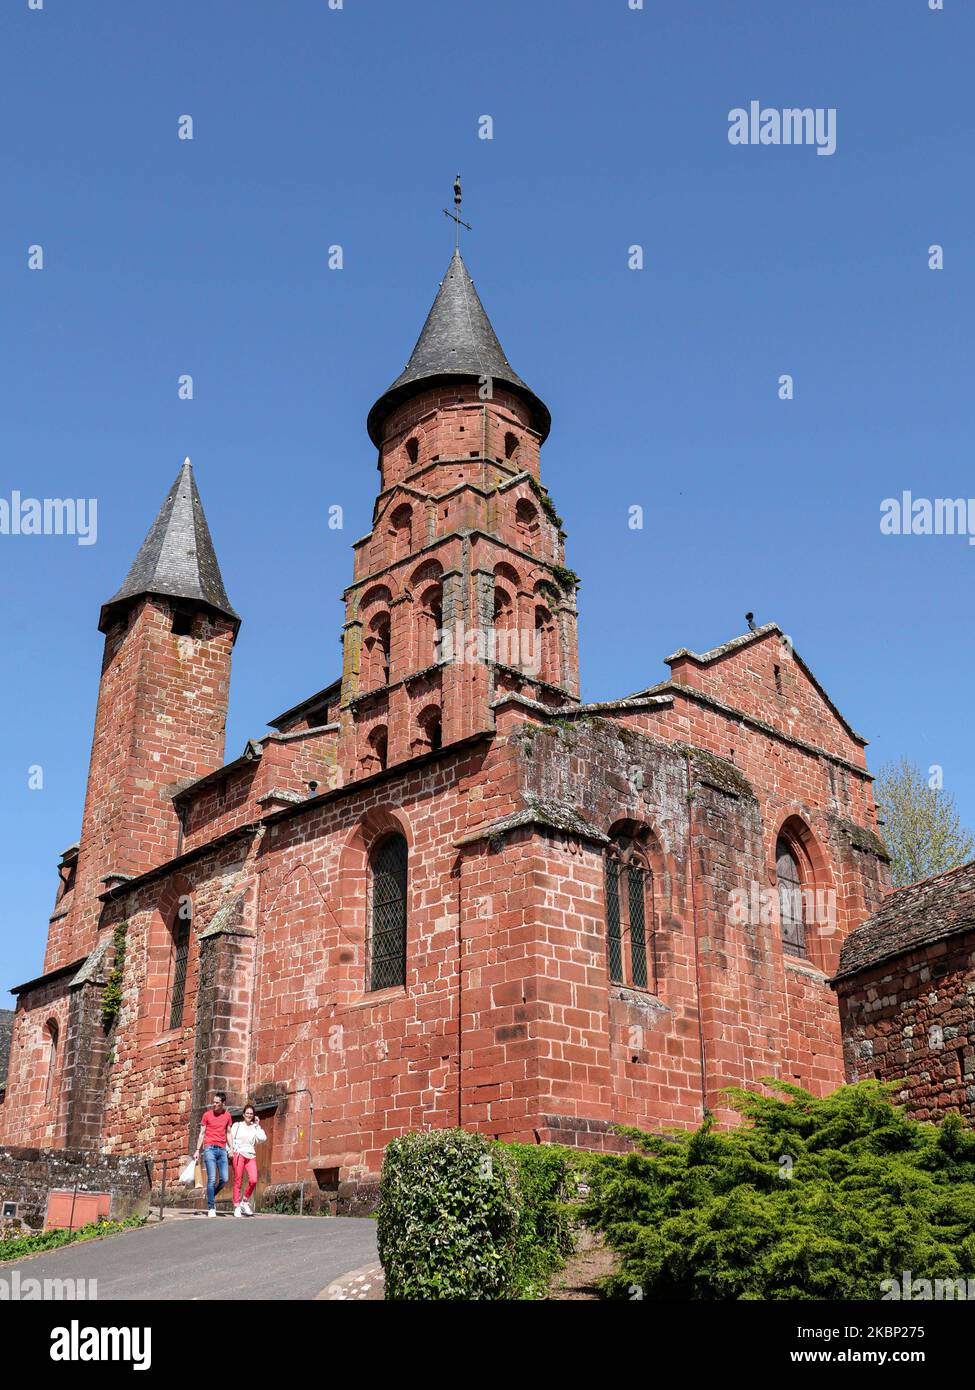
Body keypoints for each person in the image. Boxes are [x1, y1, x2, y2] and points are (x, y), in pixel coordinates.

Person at [194, 1090, 233, 1218]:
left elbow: (228, 1133)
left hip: (222, 1150)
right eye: (214, 1102)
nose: (214, 1104)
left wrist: (231, 1148)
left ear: (223, 1103)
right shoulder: (207, 1115)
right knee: (211, 1179)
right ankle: (211, 1207)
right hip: (209, 1148)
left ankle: (210, 1194)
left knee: (224, 1179)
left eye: (217, 1102)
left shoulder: (227, 1116)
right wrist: (197, 1150)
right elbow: (202, 1133)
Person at [229, 1104, 266, 1217]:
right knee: (238, 1180)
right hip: (239, 1154)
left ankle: (244, 1201)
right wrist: (230, 1150)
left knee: (253, 1179)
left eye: (251, 1114)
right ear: (243, 1114)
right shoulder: (237, 1125)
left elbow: (263, 1138)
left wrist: (258, 1125)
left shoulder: (255, 1127)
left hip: (250, 1155)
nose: (249, 1115)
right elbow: (230, 1137)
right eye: (247, 1113)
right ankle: (236, 1206)